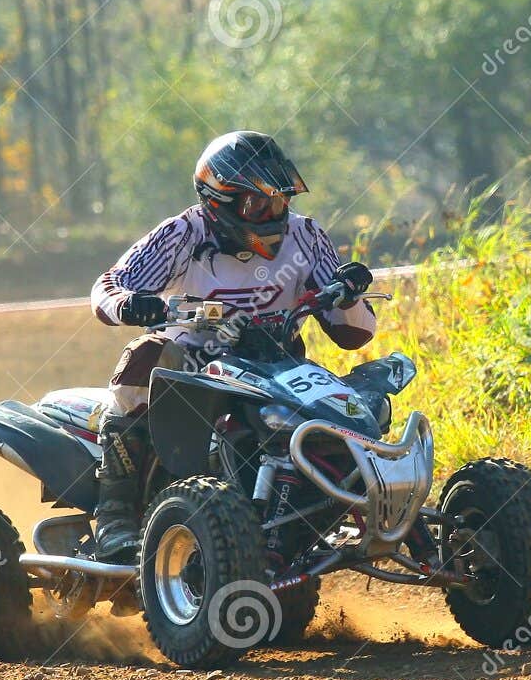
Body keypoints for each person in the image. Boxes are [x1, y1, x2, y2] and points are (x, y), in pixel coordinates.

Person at [88, 130, 376, 561]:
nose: (273, 213)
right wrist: (130, 304)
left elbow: (355, 333)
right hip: (194, 363)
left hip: (278, 364)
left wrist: (348, 295)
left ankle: (341, 502)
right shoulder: (183, 232)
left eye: (280, 201)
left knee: (352, 401)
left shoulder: (306, 235)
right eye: (257, 204)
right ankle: (114, 513)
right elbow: (108, 286)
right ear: (217, 200)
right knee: (145, 356)